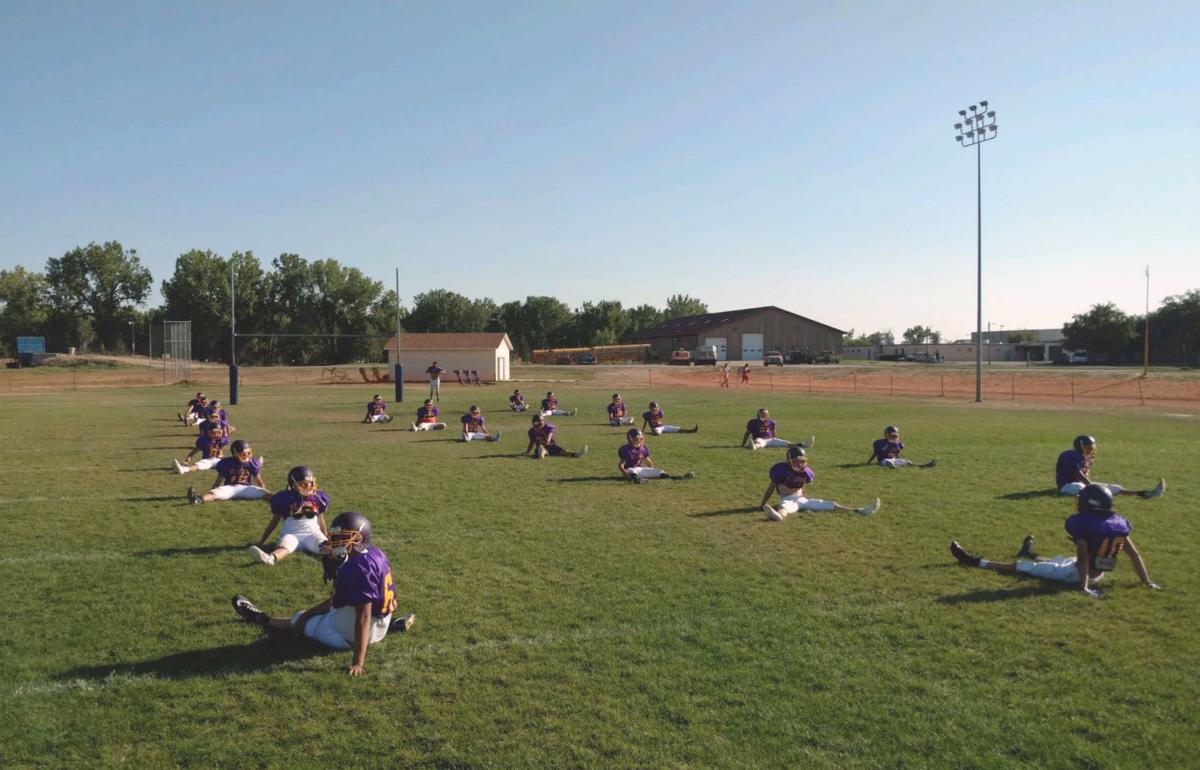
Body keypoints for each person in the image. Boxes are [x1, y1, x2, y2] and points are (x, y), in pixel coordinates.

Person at [233, 512, 415, 676]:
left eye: (344, 539)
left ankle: (261, 619)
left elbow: (362, 616)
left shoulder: (356, 568)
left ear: (360, 540)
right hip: (382, 622)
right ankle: (392, 626)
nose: (337, 544)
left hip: (352, 635)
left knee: (299, 620)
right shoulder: (376, 553)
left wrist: (357, 663)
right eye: (335, 537)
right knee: (345, 605)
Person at [949, 483, 1161, 598]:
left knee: (1022, 568)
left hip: (1076, 575)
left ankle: (973, 561)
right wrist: (1147, 581)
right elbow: (1134, 554)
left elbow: (1083, 557)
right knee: (1056, 560)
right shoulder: (1119, 523)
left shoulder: (1084, 524)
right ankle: (1028, 553)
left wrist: (1084, 587)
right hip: (1098, 573)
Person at [761, 447, 879, 521]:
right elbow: (771, 487)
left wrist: (801, 497)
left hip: (802, 500)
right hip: (787, 498)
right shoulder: (781, 470)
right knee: (784, 508)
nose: (799, 465)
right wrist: (763, 504)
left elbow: (801, 485)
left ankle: (858, 510)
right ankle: (778, 516)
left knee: (830, 504)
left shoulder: (807, 472)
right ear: (788, 461)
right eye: (796, 462)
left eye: (802, 462)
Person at [251, 466, 330, 566]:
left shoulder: (318, 497)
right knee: (284, 547)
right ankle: (270, 558)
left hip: (312, 533)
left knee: (326, 548)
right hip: (292, 534)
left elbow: (320, 519)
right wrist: (261, 541)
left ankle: (341, 559)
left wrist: (326, 535)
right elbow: (274, 521)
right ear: (293, 484)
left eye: (309, 482)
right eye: (303, 483)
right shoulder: (283, 497)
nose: (307, 486)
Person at [1055, 434, 1164, 498]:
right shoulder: (1069, 455)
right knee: (1084, 488)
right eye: (1088, 448)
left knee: (1114, 487)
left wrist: (1087, 468)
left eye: (1091, 448)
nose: (1090, 451)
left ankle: (1142, 493)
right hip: (1066, 486)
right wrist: (1093, 486)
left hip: (1079, 484)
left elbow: (1085, 476)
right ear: (1080, 447)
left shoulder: (1082, 457)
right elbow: (1078, 475)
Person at [187, 438, 270, 505]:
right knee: (214, 494)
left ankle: (280, 501)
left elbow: (218, 482)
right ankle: (198, 499)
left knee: (215, 493)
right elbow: (260, 483)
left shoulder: (250, 462)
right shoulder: (228, 463)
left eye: (248, 453)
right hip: (233, 488)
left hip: (242, 488)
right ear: (235, 454)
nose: (246, 456)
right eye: (243, 454)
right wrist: (262, 491)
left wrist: (263, 492)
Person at [617, 428, 693, 483]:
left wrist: (652, 470)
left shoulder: (643, 448)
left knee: (659, 471)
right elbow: (621, 465)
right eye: (636, 439)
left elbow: (647, 461)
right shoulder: (626, 449)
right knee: (632, 471)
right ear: (630, 439)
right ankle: (637, 479)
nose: (639, 440)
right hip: (629, 470)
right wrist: (625, 475)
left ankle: (676, 477)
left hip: (639, 469)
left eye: (640, 439)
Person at [740, 408, 813, 451]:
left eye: (765, 414)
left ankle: (804, 445)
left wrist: (775, 439)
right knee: (759, 443)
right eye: (762, 414)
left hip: (771, 439)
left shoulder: (771, 422)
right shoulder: (753, 422)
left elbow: (773, 431)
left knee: (786, 443)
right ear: (758, 414)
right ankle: (754, 447)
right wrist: (743, 443)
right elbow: (747, 433)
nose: (764, 415)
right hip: (760, 438)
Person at [866, 425, 936, 468]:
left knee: (906, 462)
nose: (893, 437)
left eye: (894, 435)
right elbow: (875, 453)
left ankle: (922, 466)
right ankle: (892, 466)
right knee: (887, 461)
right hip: (883, 461)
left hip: (893, 460)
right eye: (891, 435)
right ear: (886, 435)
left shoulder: (899, 444)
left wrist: (896, 445)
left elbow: (897, 453)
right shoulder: (879, 442)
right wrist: (868, 462)